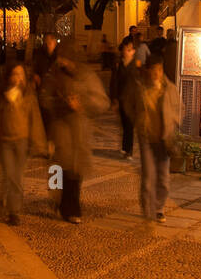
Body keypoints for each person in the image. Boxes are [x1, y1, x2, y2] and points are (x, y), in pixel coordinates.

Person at [43, 43, 108, 223]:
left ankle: (72, 208)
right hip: (61, 129)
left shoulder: (86, 75)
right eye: (60, 59)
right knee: (60, 170)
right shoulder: (54, 75)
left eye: (65, 59)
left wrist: (82, 104)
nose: (62, 63)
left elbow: (101, 101)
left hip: (79, 130)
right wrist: (61, 103)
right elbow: (45, 99)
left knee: (76, 173)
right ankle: (63, 204)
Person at [121, 53, 179, 222]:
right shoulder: (139, 87)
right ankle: (148, 210)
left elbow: (178, 108)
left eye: (159, 70)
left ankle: (159, 208)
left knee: (164, 179)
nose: (157, 73)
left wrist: (173, 122)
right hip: (146, 137)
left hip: (163, 138)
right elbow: (127, 102)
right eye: (154, 70)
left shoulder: (169, 88)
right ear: (148, 70)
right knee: (148, 177)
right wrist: (137, 120)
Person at [0, 63, 45, 225]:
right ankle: (2, 198)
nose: (17, 78)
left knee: (16, 177)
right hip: (5, 142)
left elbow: (35, 120)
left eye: (20, 74)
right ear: (8, 77)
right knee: (9, 175)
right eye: (14, 74)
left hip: (22, 142)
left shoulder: (28, 96)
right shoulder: (1, 96)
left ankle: (14, 211)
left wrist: (39, 144)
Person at [107, 39, 141, 158]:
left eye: (129, 50)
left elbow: (139, 84)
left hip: (132, 100)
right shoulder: (118, 64)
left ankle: (129, 151)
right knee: (123, 123)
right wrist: (114, 98)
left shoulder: (136, 66)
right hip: (121, 99)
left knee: (129, 125)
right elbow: (114, 82)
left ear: (133, 51)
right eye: (125, 49)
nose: (126, 52)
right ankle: (124, 147)